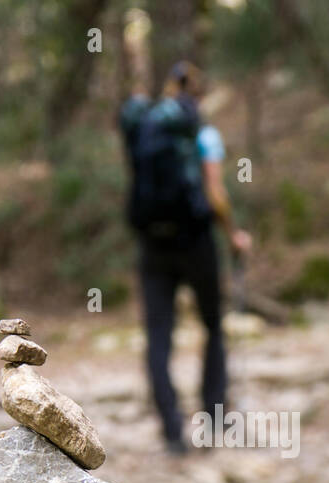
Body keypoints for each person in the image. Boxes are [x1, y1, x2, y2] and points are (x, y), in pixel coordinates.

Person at [119, 58, 251, 455]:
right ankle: (212, 421)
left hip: (152, 243)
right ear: (198, 93)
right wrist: (234, 236)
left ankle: (172, 431)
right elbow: (215, 194)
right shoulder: (200, 131)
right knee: (212, 325)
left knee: (159, 334)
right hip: (195, 241)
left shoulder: (144, 127)